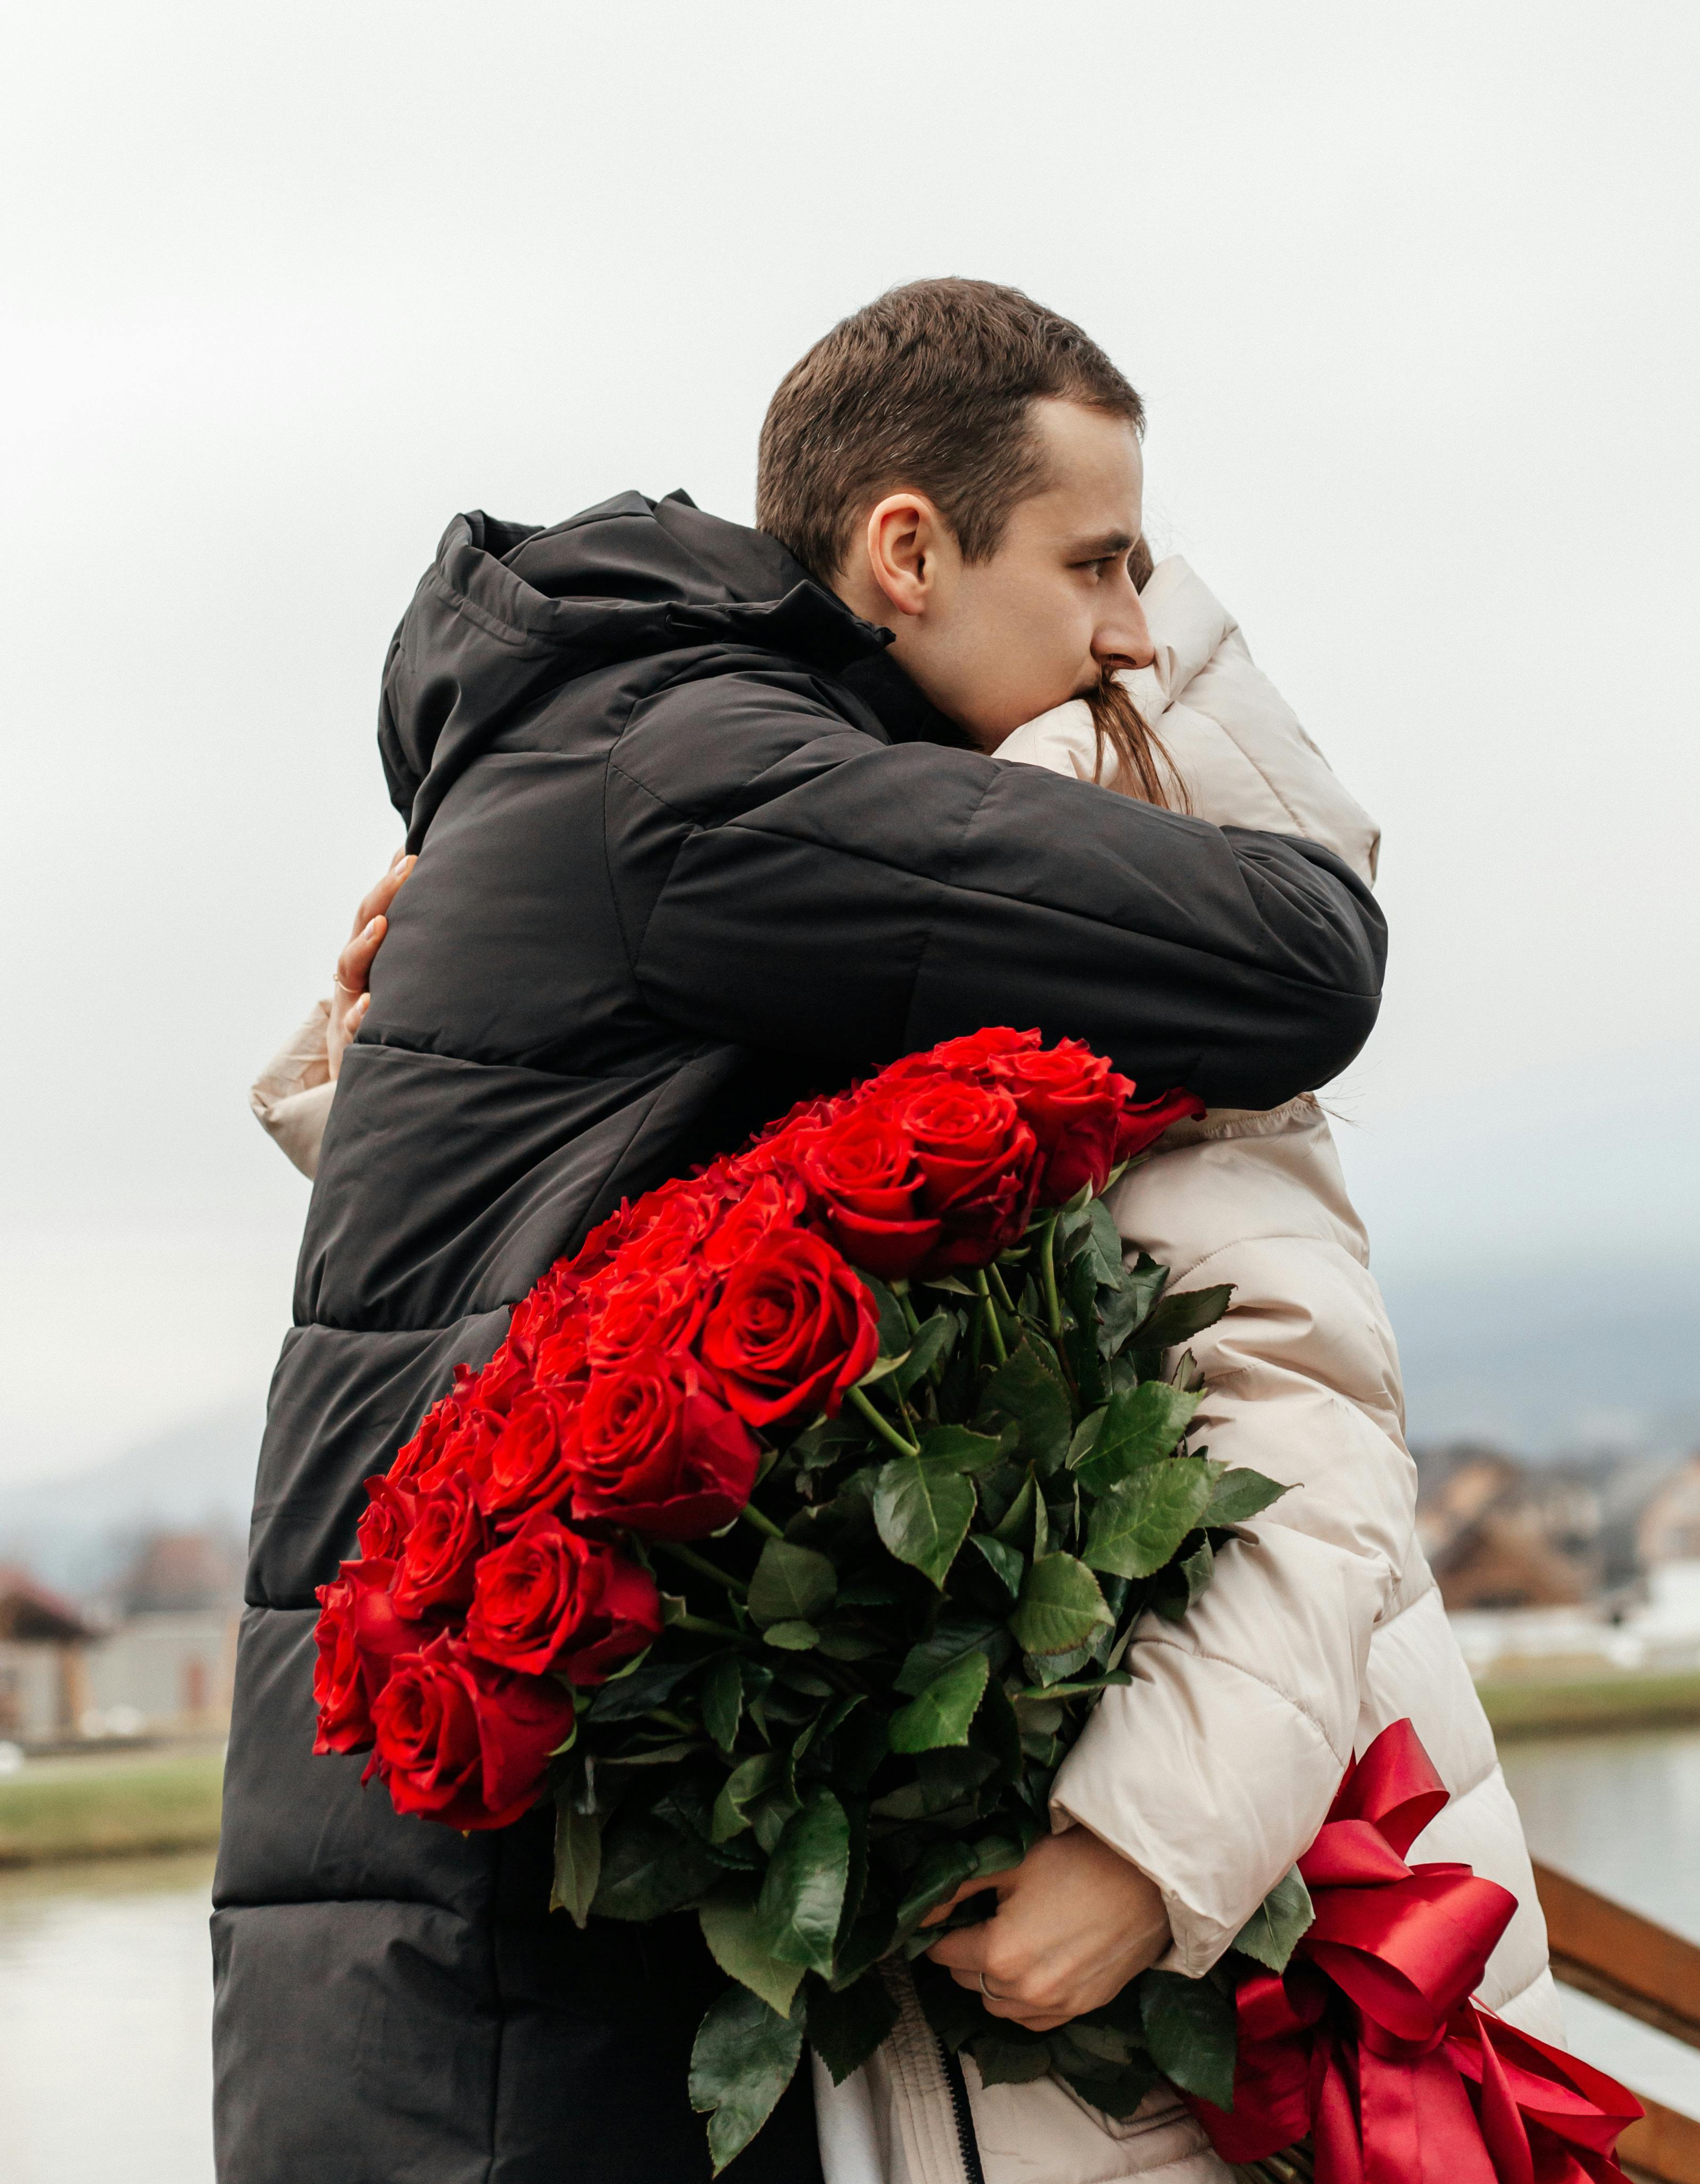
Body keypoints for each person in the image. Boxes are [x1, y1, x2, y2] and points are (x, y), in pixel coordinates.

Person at [227, 279, 1387, 2184]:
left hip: (443, 1887)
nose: (1121, 632)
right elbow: (1302, 955)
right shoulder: (712, 782)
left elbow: (534, 1247)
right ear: (907, 549)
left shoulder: (626, 744)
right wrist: (1203, 697)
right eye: (1100, 565)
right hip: (495, 1951)